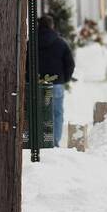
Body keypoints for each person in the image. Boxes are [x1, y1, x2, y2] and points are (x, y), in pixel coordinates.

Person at [37, 14, 75, 146]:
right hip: (57, 85)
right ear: (52, 25)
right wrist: (64, 79)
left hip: (38, 85)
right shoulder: (61, 43)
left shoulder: (31, 43)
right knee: (57, 114)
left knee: (40, 113)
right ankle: (54, 142)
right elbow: (70, 63)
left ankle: (42, 141)